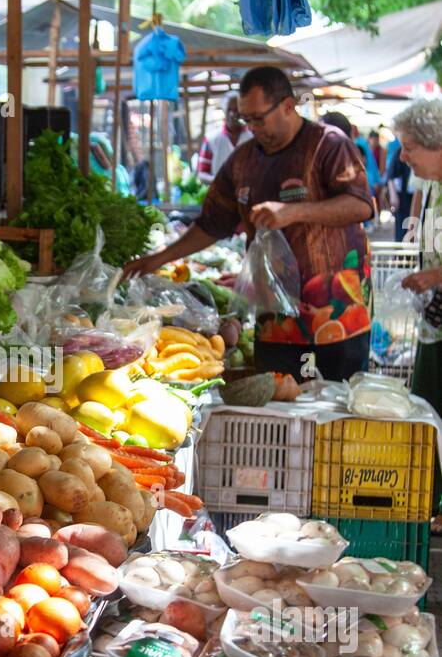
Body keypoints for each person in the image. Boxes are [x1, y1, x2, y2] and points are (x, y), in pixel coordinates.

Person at [124, 66, 375, 381]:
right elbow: (211, 224)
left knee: (335, 417)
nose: (252, 127)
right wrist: (156, 260)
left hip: (338, 316)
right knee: (278, 410)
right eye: (246, 119)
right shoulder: (242, 161)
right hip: (274, 320)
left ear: (287, 105)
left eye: (259, 118)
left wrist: (293, 212)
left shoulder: (327, 144)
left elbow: (361, 205)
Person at [397, 101, 442, 523]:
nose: (403, 157)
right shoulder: (430, 187)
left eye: (410, 147)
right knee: (430, 406)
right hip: (436, 324)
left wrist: (435, 275)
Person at [196, 94, 252, 180]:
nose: (232, 114)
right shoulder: (211, 139)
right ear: (223, 110)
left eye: (236, 110)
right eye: (229, 109)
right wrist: (218, 182)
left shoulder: (253, 137)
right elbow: (202, 173)